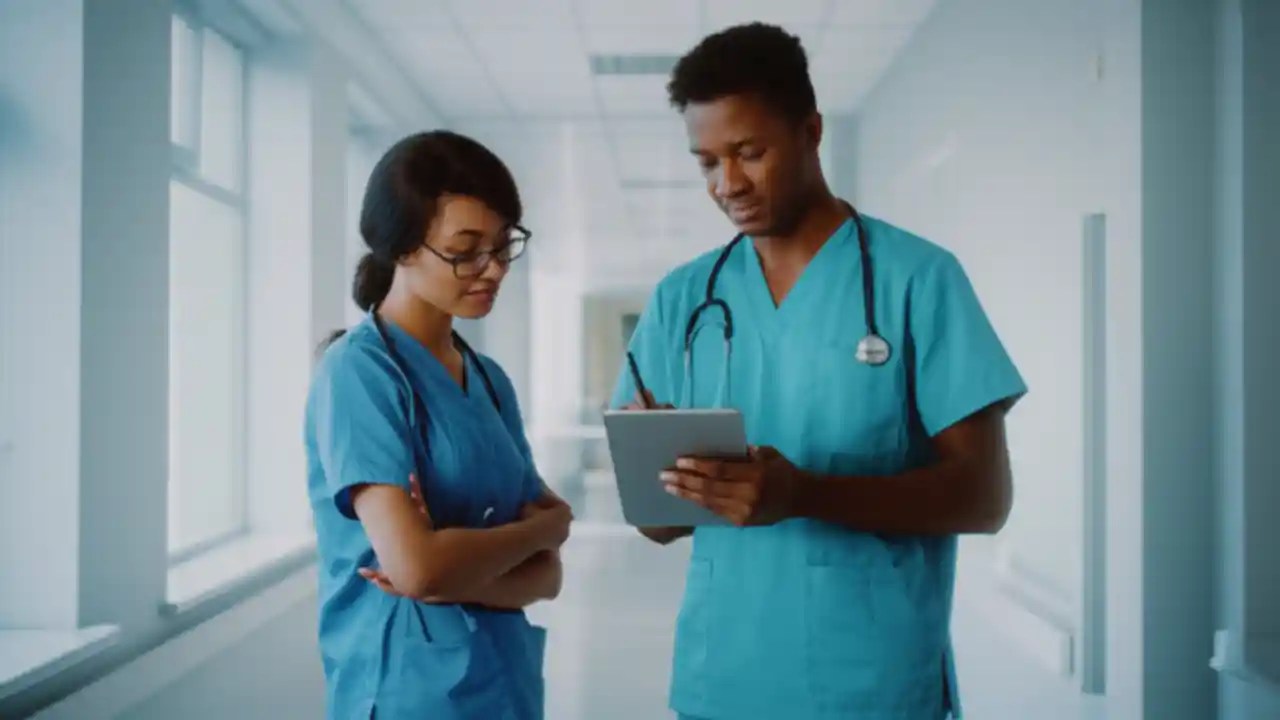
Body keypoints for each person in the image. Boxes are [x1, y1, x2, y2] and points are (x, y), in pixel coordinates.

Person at [610, 23, 1027, 720]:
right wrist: (660, 484)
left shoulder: (916, 280)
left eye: (750, 152)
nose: (727, 184)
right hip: (723, 682)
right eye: (707, 161)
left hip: (871, 685)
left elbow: (983, 498)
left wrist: (803, 494)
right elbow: (659, 525)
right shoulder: (684, 299)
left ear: (811, 131)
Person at [304, 130, 571, 720]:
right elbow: (419, 568)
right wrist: (538, 530)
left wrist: (450, 567)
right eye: (466, 249)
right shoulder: (359, 374)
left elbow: (547, 578)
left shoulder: (489, 378)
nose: (493, 269)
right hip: (406, 691)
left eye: (503, 246)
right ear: (401, 248)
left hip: (503, 687)